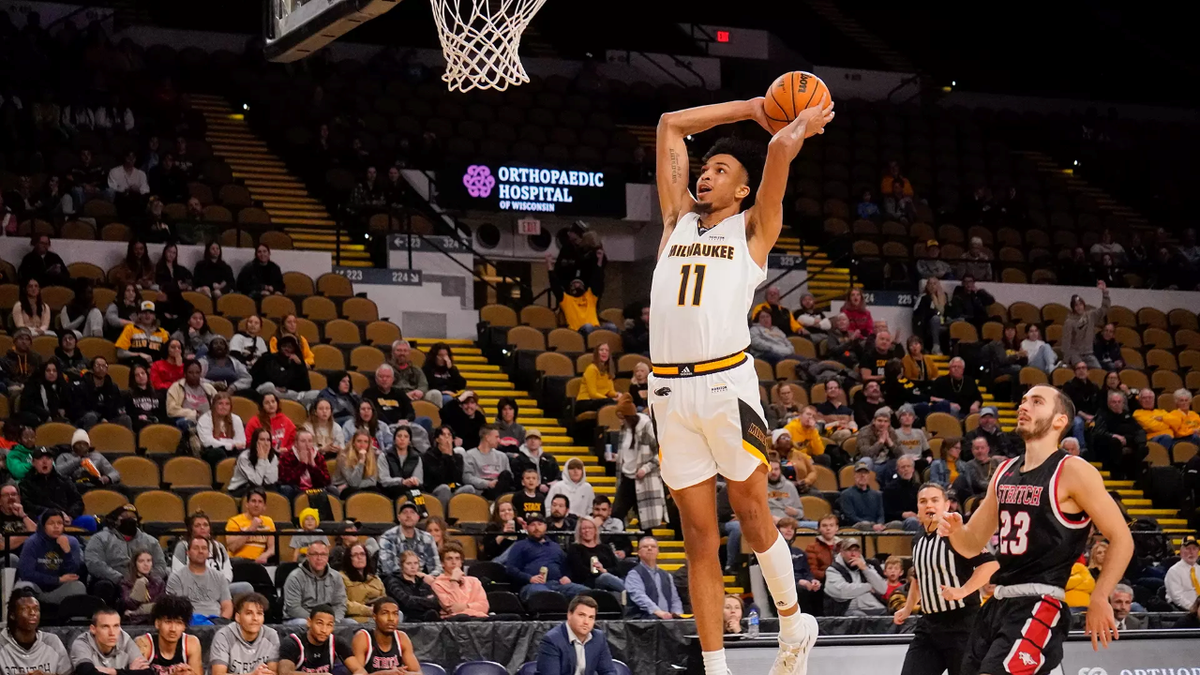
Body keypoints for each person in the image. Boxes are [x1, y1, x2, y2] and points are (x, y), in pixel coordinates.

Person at [939, 384, 1134, 672]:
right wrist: (954, 529)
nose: (1023, 406)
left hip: (1040, 600)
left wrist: (1100, 596)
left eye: (1037, 402)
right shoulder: (1004, 472)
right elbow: (970, 544)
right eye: (1023, 400)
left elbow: (1122, 538)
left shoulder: (1073, 470)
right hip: (997, 603)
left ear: (1059, 420)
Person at [893, 482, 999, 675]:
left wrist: (963, 590)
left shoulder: (957, 534)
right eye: (923, 501)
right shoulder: (918, 539)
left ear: (946, 505)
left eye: (935, 500)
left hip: (962, 625)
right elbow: (920, 575)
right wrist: (908, 607)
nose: (929, 505)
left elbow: (990, 564)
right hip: (928, 626)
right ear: (917, 507)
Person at [85, 503, 168, 608]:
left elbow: (160, 565)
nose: (129, 520)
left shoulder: (151, 541)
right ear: (115, 520)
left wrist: (147, 579)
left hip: (145, 581)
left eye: (133, 518)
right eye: (124, 517)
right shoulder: (100, 539)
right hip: (113, 581)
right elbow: (94, 563)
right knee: (103, 586)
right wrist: (120, 579)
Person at [505, 513, 589, 602]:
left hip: (558, 584)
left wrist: (566, 576)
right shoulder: (520, 545)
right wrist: (529, 578)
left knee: (587, 593)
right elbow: (511, 569)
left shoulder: (555, 546)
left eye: (540, 524)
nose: (536, 528)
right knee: (545, 595)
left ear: (545, 526)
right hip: (532, 585)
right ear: (527, 527)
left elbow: (566, 567)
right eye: (533, 525)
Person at [612, 395, 666, 528]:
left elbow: (661, 453)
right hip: (627, 477)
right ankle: (623, 546)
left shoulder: (646, 426)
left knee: (645, 524)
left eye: (622, 418)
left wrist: (645, 468)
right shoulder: (625, 428)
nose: (620, 421)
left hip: (644, 479)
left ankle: (647, 546)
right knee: (616, 515)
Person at [15, 509, 87, 603]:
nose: (56, 526)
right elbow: (26, 573)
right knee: (23, 587)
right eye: (51, 523)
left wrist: (67, 552)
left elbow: (72, 573)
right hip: (36, 588)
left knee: (78, 586)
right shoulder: (32, 542)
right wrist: (57, 580)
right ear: (43, 526)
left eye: (59, 523)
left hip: (60, 590)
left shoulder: (71, 542)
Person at [535, 595, 618, 675]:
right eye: (582, 615)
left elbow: (608, 671)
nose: (586, 622)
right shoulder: (552, 640)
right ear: (569, 615)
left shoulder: (598, 638)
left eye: (591, 617)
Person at [0, 589, 72, 675]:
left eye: (36, 609)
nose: (33, 613)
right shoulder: (1, 644)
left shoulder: (52, 642)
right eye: (26, 609)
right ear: (12, 615)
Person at [278, 605, 366, 675]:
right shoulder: (293, 642)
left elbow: (360, 670)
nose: (324, 630)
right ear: (309, 622)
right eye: (320, 623)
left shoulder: (337, 642)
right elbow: (284, 673)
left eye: (329, 625)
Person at [167, 535, 233, 624]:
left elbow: (227, 606)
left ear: (208, 553)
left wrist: (220, 624)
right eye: (196, 548)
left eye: (204, 548)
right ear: (188, 553)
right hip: (188, 624)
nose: (200, 551)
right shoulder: (176, 578)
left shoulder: (219, 577)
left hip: (216, 623)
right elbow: (175, 609)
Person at [209, 593, 279, 675]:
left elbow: (273, 672)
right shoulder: (224, 636)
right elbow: (218, 674)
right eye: (249, 613)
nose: (255, 618)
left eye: (259, 613)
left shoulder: (271, 635)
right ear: (237, 617)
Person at [282, 541, 349, 625]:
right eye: (315, 554)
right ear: (307, 556)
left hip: (329, 619)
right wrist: (318, 621)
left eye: (323, 554)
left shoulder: (336, 577)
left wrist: (333, 621)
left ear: (328, 557)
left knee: (351, 623)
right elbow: (293, 608)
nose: (319, 558)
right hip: (302, 618)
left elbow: (340, 604)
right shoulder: (295, 577)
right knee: (302, 623)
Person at [133, 594, 203, 675]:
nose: (173, 629)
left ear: (184, 626)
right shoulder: (144, 644)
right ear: (157, 623)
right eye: (168, 622)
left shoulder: (191, 643)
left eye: (179, 623)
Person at [69, 607, 152, 675]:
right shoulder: (82, 643)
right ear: (93, 629)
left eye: (116, 626)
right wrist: (130, 672)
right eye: (105, 627)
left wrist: (113, 671)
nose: (112, 633)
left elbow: (148, 673)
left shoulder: (124, 639)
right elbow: (87, 672)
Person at [350, 598, 420, 673]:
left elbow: (418, 673)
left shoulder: (401, 638)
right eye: (385, 613)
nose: (391, 618)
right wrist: (383, 674)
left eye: (395, 614)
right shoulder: (363, 638)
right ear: (374, 616)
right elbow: (357, 673)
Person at [823, 538, 888, 616]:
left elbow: (883, 589)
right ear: (842, 552)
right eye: (849, 550)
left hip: (873, 607)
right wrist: (868, 586)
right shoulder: (833, 569)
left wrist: (865, 569)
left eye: (856, 550)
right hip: (847, 610)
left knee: (888, 615)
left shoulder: (867, 566)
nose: (853, 554)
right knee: (859, 617)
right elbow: (841, 592)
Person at [625, 536, 683, 619]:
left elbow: (675, 599)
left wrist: (677, 614)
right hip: (644, 621)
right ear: (639, 552)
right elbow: (639, 596)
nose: (649, 548)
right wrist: (657, 612)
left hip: (668, 621)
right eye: (645, 547)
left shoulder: (667, 575)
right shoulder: (634, 574)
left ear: (658, 551)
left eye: (653, 546)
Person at [378, 502, 442, 576]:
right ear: (399, 517)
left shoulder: (427, 538)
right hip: (396, 581)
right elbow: (388, 569)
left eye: (412, 512)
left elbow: (436, 567)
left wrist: (429, 578)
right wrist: (418, 576)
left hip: (423, 581)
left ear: (418, 517)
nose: (408, 516)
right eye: (405, 512)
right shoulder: (388, 537)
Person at [20, 447, 83, 521]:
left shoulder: (64, 480)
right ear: (33, 462)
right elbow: (28, 506)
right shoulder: (26, 483)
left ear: (52, 461)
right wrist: (53, 513)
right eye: (40, 458)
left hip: (66, 517)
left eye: (48, 458)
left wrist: (70, 516)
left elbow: (78, 501)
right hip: (42, 517)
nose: (44, 462)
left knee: (89, 521)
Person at [430, 541, 489, 619]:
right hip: (456, 622)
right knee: (462, 617)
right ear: (442, 563)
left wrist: (465, 606)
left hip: (479, 619)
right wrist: (454, 581)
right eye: (449, 559)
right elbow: (452, 609)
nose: (454, 562)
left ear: (461, 562)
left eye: (457, 559)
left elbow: (484, 606)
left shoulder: (474, 581)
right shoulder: (437, 584)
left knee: (508, 618)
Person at [253, 335, 318, 405]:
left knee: (316, 394)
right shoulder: (269, 358)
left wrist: (300, 366)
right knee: (269, 386)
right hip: (269, 391)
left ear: (294, 349)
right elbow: (278, 380)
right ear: (280, 347)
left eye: (290, 347)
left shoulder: (297, 362)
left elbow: (306, 387)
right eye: (284, 346)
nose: (287, 349)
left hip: (291, 393)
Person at [568, 516, 624, 592]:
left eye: (590, 528)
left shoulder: (605, 548)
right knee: (605, 577)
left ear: (595, 530)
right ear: (579, 532)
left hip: (611, 580)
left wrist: (604, 570)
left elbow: (618, 569)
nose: (587, 530)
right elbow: (579, 572)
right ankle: (633, 593)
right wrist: (599, 572)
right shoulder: (575, 548)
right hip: (590, 583)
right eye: (584, 528)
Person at [1061, 282, 1111, 368]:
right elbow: (1066, 342)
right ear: (1073, 308)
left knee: (1098, 371)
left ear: (1084, 305)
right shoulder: (1069, 322)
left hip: (1088, 354)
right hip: (1075, 354)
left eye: (1080, 304)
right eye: (1076, 305)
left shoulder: (1091, 315)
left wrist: (1105, 293)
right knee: (1081, 368)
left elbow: (1104, 309)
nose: (1079, 307)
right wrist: (1066, 360)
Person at [385, 550, 440, 622]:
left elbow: (435, 603)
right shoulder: (393, 581)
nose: (413, 566)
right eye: (408, 563)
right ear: (401, 565)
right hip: (407, 618)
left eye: (416, 563)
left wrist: (416, 601)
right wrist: (426, 601)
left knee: (433, 613)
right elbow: (406, 602)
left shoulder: (422, 582)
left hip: (427, 616)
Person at [278, 430, 334, 498]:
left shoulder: (318, 457)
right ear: (296, 443)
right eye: (303, 441)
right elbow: (286, 480)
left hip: (315, 489)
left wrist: (313, 466)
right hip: (296, 489)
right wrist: (302, 464)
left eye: (310, 441)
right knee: (286, 489)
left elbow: (326, 481)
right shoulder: (287, 457)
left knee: (332, 490)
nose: (307, 445)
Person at [226, 488, 277, 563]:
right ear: (247, 504)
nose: (256, 505)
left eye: (260, 502)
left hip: (257, 562)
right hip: (237, 561)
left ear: (264, 506)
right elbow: (232, 547)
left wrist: (265, 555)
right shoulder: (234, 521)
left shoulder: (268, 521)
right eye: (253, 501)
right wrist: (251, 528)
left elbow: (272, 548)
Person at [463, 424, 513, 500]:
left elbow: (509, 478)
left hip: (500, 489)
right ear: (487, 437)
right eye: (496, 437)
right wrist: (487, 484)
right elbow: (467, 477)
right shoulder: (470, 455)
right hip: (482, 491)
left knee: (506, 475)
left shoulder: (502, 456)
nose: (499, 440)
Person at [387, 340, 441, 408]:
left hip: (416, 396)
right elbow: (385, 387)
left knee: (435, 393)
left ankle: (435, 417)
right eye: (399, 350)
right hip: (395, 397)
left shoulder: (416, 369)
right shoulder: (387, 369)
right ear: (392, 352)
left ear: (409, 353)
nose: (402, 353)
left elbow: (423, 384)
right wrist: (404, 395)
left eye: (405, 351)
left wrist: (420, 391)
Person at [1062, 361, 1103, 450]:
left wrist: (1094, 417)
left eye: (1083, 368)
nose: (1081, 371)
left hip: (1092, 415)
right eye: (1078, 369)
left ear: (1088, 371)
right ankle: (1080, 449)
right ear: (1075, 372)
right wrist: (1085, 416)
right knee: (1078, 422)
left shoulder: (1093, 386)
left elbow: (1099, 404)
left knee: (1102, 422)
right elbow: (1069, 405)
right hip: (1074, 415)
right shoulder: (1069, 386)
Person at [340, 544, 385, 622]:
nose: (359, 557)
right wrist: (368, 610)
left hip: (376, 614)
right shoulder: (341, 577)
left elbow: (385, 599)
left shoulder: (375, 579)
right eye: (355, 555)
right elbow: (343, 603)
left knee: (398, 614)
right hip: (355, 617)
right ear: (349, 558)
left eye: (362, 554)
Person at [116, 301, 170, 365]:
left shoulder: (162, 332)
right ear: (139, 315)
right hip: (135, 366)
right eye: (144, 312)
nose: (147, 315)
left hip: (156, 368)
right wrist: (139, 354)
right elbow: (120, 353)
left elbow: (168, 355)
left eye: (151, 313)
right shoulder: (130, 329)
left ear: (155, 316)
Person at [122, 550, 167, 624]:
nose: (146, 564)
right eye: (141, 561)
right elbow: (129, 605)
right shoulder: (126, 582)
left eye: (149, 561)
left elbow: (160, 606)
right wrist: (139, 585)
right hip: (133, 622)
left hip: (154, 621)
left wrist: (137, 611)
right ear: (135, 563)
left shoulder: (159, 582)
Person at [576, 343, 619, 413]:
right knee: (612, 404)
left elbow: (609, 391)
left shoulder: (608, 371)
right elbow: (592, 394)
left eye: (607, 350)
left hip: (600, 400)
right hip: (585, 401)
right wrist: (609, 400)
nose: (604, 352)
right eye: (601, 350)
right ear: (596, 353)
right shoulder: (591, 369)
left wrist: (617, 395)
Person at [1165, 534, 1199, 611]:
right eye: (1188, 548)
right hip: (1183, 610)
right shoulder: (1174, 571)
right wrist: (1194, 609)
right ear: (1181, 551)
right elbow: (1177, 597)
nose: (1191, 552)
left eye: (1194, 549)